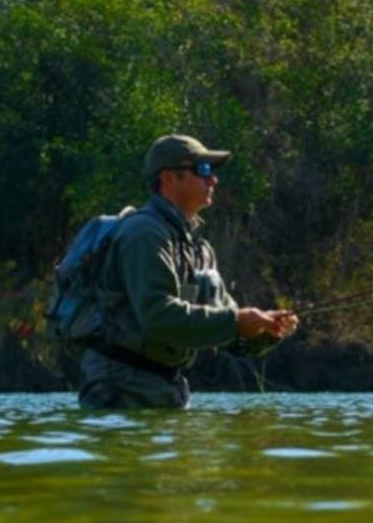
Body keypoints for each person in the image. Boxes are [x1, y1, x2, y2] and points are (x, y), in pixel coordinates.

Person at [78, 134, 298, 409]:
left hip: (165, 389)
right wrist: (236, 321)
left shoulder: (199, 247)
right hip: (120, 389)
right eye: (203, 170)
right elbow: (158, 316)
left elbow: (227, 331)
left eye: (212, 172)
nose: (213, 180)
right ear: (169, 179)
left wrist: (267, 330)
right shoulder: (144, 234)